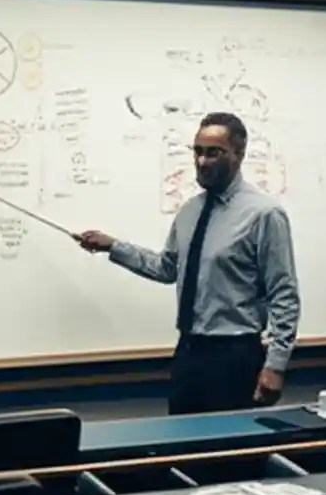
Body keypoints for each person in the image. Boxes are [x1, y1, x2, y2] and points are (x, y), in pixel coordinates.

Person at [77, 112, 300, 415]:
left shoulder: (264, 214)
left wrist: (276, 365)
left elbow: (284, 294)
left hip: (235, 355)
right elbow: (167, 268)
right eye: (198, 151)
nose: (203, 162)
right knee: (181, 444)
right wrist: (113, 247)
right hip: (188, 352)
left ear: (239, 154)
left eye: (214, 153)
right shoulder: (190, 211)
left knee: (230, 454)